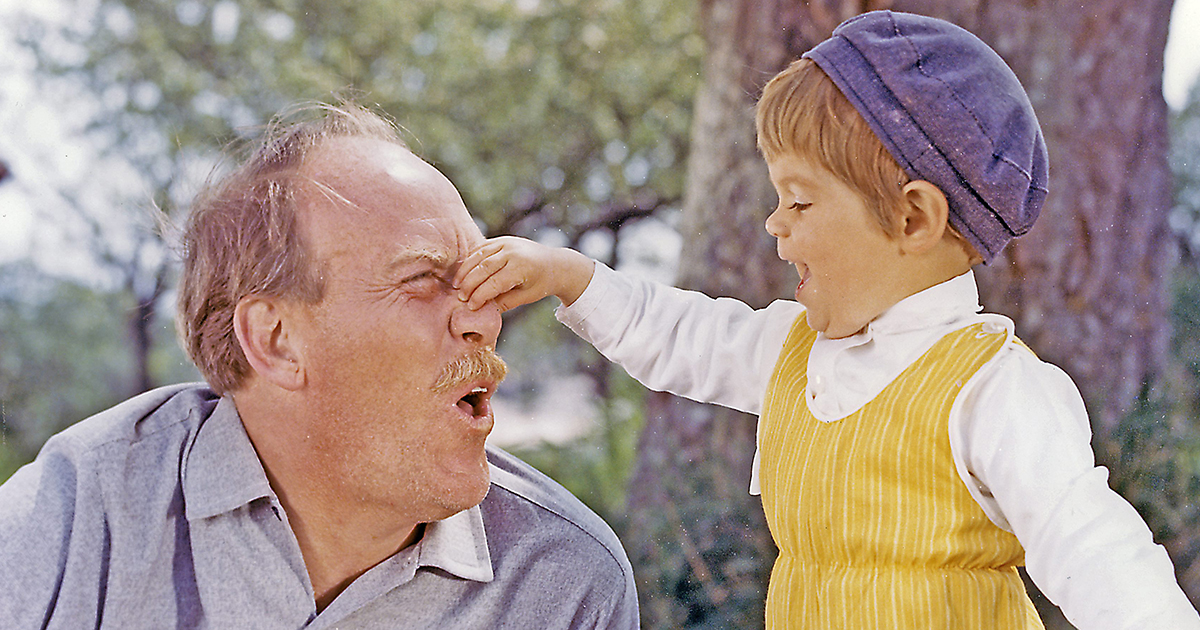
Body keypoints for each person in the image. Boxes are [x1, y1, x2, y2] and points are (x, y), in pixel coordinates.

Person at [454, 10, 1200, 630]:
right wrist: (571, 277)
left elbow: (1097, 554)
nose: (775, 223)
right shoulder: (795, 353)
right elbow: (680, 335)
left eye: (801, 200)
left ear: (912, 218)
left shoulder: (991, 390)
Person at [0, 102, 639, 629]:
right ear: (276, 340)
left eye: (481, 279)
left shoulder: (568, 584)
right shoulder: (76, 521)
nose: (485, 318)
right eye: (422, 278)